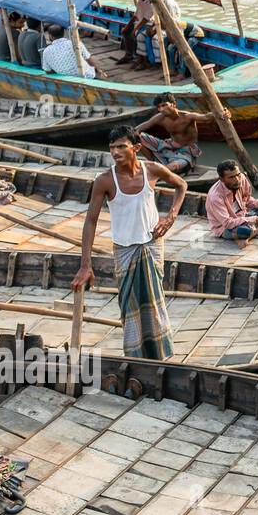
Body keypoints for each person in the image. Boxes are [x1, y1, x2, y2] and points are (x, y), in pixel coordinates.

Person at [71, 127, 187, 359]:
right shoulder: (105, 180)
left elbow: (181, 185)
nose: (115, 151)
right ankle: (135, 355)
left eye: (121, 146)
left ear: (135, 148)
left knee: (155, 299)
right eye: (112, 147)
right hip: (124, 250)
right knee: (129, 304)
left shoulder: (152, 170)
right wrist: (86, 265)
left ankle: (161, 352)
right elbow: (90, 222)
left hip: (152, 245)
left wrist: (170, 217)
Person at [206, 158, 258, 247]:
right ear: (222, 179)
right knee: (243, 231)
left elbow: (248, 200)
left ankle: (251, 235)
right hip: (226, 228)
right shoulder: (216, 196)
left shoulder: (242, 179)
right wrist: (255, 219)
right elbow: (228, 223)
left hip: (245, 215)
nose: (237, 179)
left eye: (238, 175)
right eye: (231, 177)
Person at [137, 92, 213, 175]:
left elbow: (206, 117)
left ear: (173, 104)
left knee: (173, 167)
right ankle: (153, 162)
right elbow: (139, 128)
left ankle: (154, 172)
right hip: (169, 146)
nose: (161, 109)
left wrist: (221, 114)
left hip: (186, 153)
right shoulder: (160, 117)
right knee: (137, 136)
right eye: (159, 107)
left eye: (164, 105)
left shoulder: (187, 117)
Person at [118, 0, 154, 65]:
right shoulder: (139, 2)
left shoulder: (151, 3)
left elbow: (146, 19)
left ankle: (141, 59)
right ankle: (129, 54)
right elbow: (135, 16)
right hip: (138, 23)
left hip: (147, 24)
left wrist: (135, 29)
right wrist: (127, 26)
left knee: (137, 35)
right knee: (125, 32)